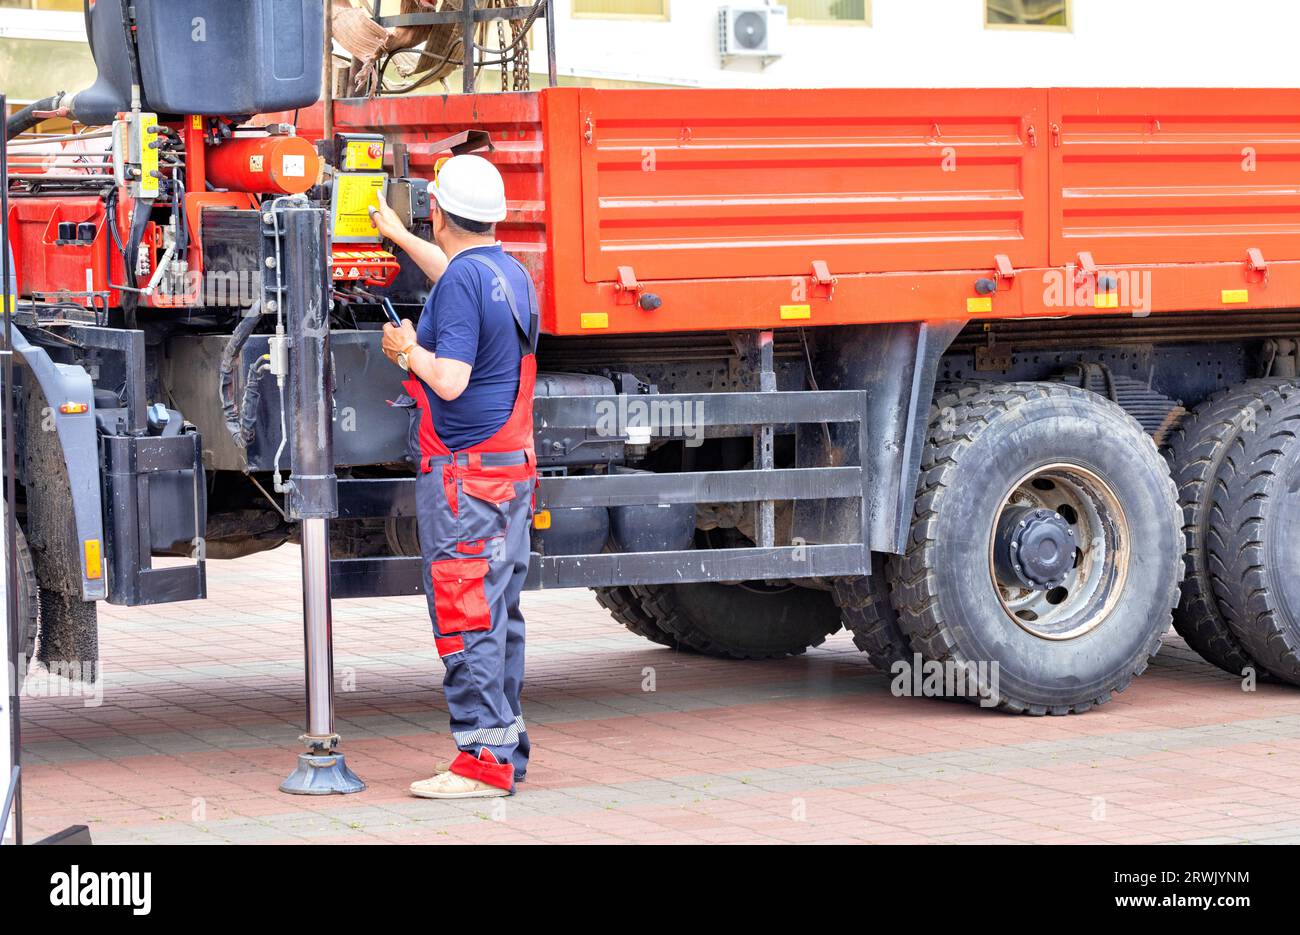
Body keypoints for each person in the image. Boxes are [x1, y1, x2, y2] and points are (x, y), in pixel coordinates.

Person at [371, 154, 539, 799]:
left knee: (465, 615)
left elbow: (449, 379)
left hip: (465, 480)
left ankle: (482, 766)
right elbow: (455, 276)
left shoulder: (468, 280)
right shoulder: (505, 271)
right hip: (508, 471)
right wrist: (398, 235)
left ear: (439, 211)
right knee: (497, 617)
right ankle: (506, 750)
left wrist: (405, 350)